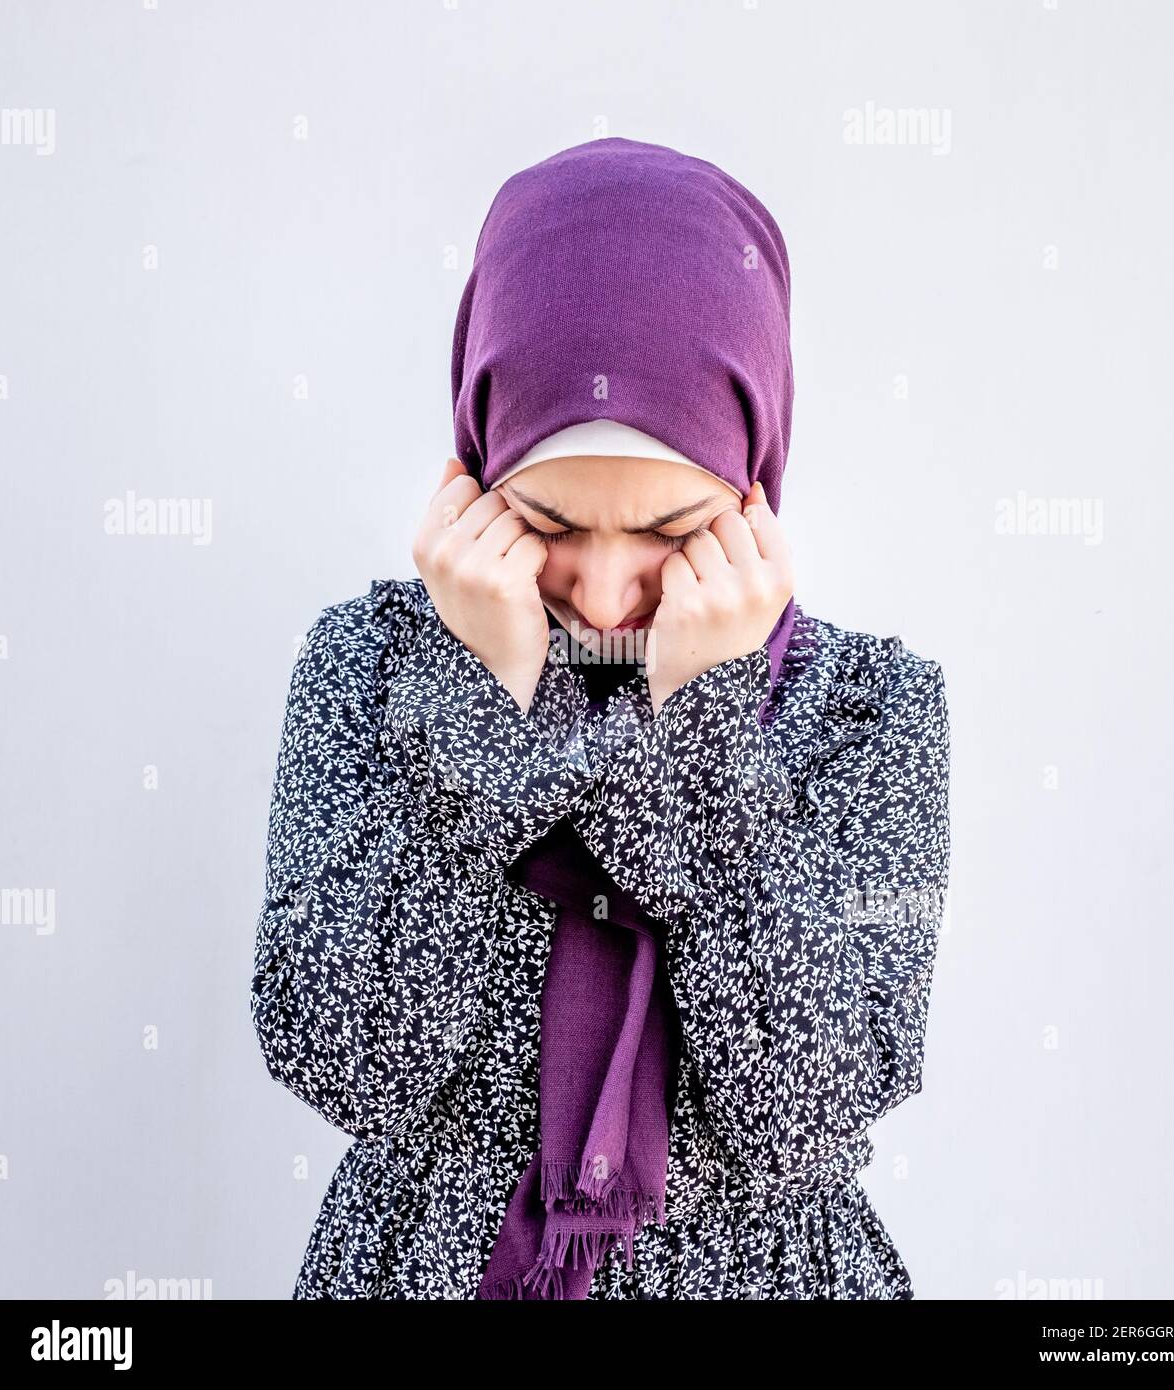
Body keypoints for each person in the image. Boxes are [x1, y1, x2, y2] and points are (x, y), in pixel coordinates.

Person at [250, 137, 951, 1299]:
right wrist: (481, 708)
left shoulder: (867, 708)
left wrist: (704, 719)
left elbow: (807, 1112)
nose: (610, 587)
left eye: (672, 530)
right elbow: (350, 1065)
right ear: (473, 474)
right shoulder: (374, 664)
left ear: (755, 479)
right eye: (549, 520)